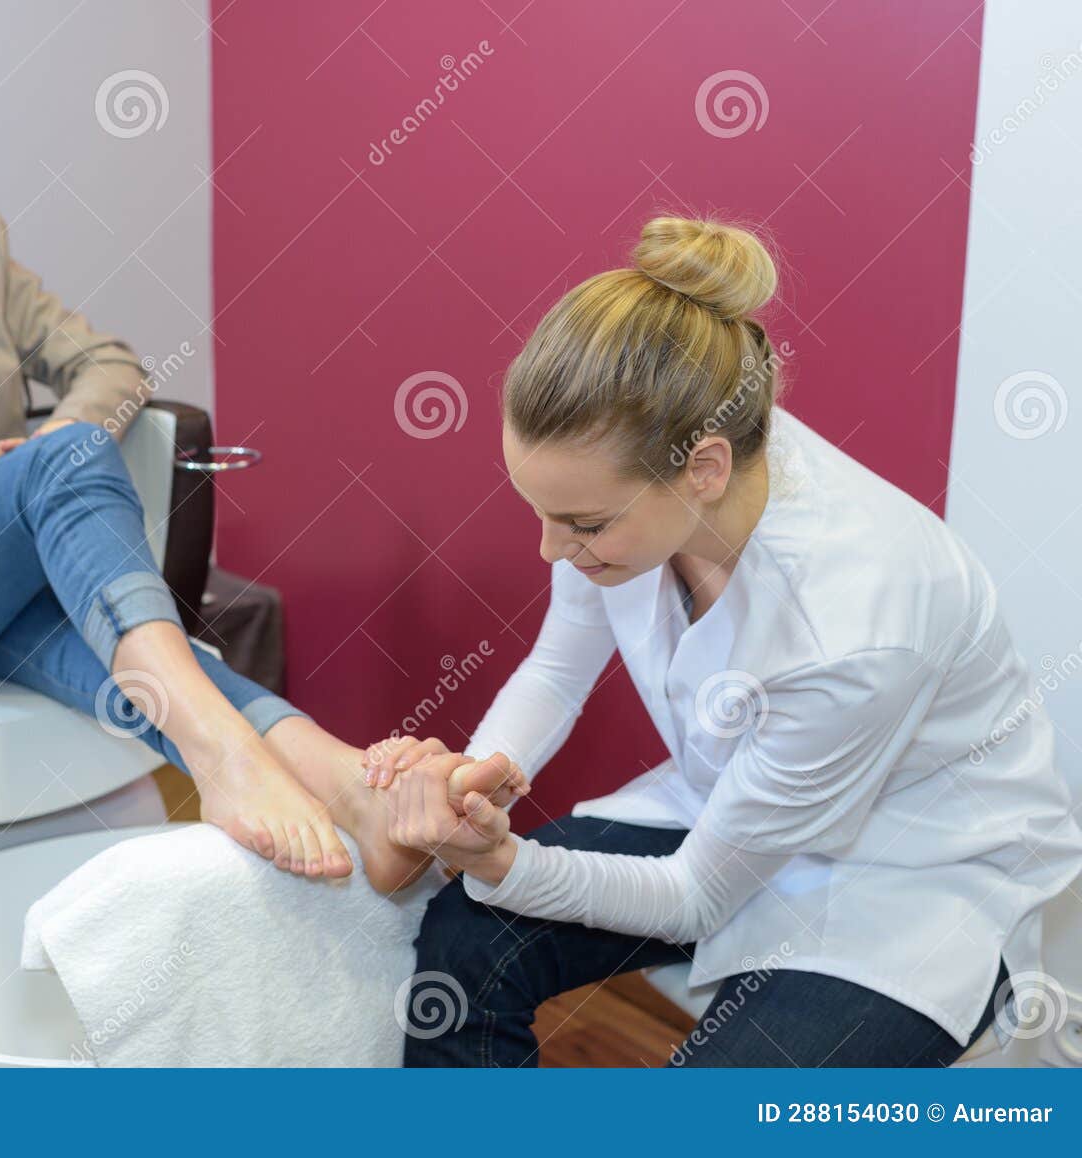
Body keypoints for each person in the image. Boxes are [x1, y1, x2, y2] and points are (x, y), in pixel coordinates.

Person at [0, 40, 524, 889]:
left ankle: (357, 797)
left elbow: (109, 364)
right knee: (76, 491)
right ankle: (222, 757)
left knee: (137, 659)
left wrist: (43, 445)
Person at [366, 215, 1082, 1065]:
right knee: (467, 939)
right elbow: (558, 671)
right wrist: (471, 781)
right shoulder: (641, 473)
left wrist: (502, 861)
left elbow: (694, 896)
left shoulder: (858, 623)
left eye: (581, 525)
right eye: (541, 512)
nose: (550, 550)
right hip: (735, 809)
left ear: (702, 469)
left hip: (910, 884)